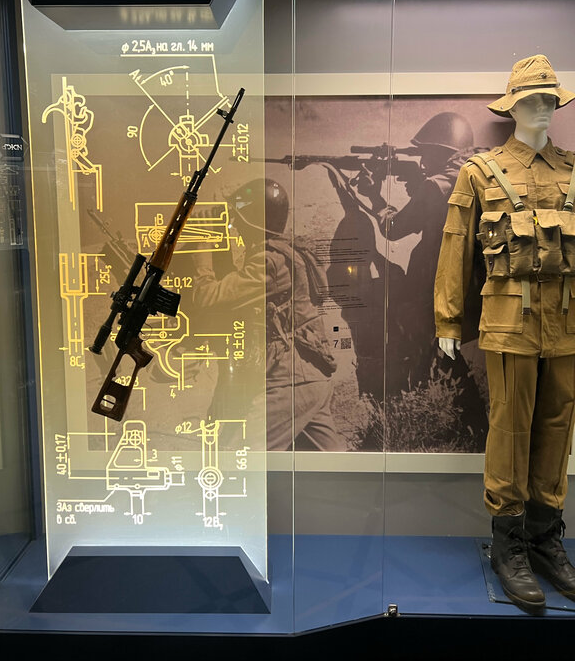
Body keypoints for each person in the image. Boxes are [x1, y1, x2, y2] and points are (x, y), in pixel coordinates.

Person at [435, 54, 575, 610]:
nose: (542, 108)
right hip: (508, 321)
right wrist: (449, 319)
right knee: (510, 427)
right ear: (511, 107)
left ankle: (545, 539)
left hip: (567, 321)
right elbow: (455, 247)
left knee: (559, 426)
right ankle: (509, 544)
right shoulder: (480, 171)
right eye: (530, 99)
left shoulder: (573, 170)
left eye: (549, 99)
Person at [357, 113, 489, 447]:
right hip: (470, 285)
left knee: (430, 352)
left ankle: (452, 424)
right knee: (449, 353)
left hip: (436, 285)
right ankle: (468, 425)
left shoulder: (435, 186)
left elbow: (394, 228)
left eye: (427, 152)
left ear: (443, 152)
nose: (422, 160)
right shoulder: (476, 174)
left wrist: (374, 195)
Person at [192, 178, 345, 451]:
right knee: (329, 464)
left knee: (237, 457)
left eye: (239, 220)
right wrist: (220, 236)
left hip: (289, 382)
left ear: (253, 221)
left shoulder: (269, 263)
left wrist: (202, 249)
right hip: (311, 378)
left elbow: (209, 297)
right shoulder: (290, 253)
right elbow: (236, 290)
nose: (235, 227)